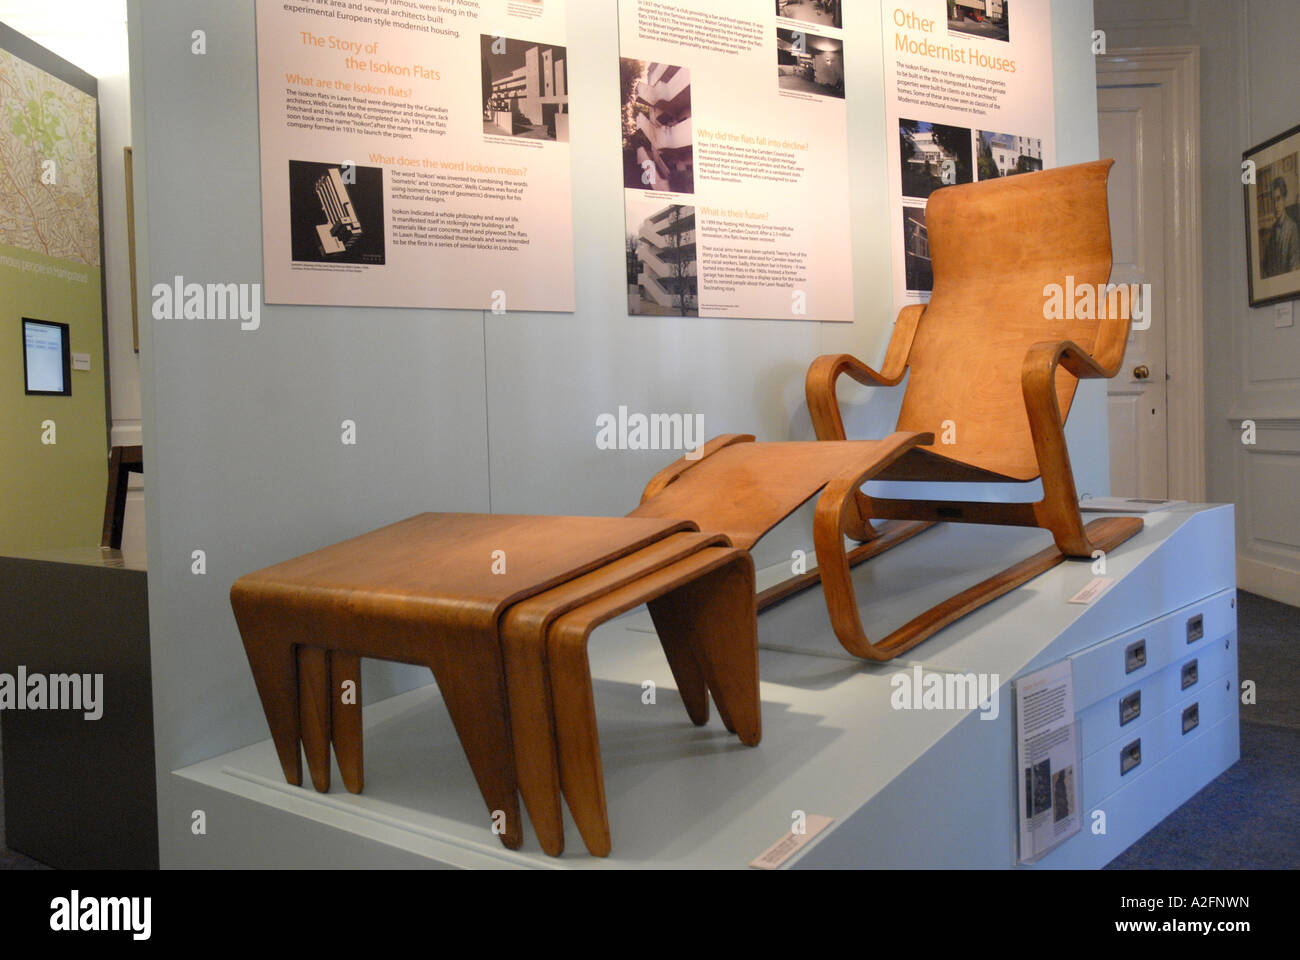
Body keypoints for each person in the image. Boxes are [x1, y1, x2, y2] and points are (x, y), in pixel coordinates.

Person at [1263, 176, 1300, 277]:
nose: (1276, 205)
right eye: (1273, 200)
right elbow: (1265, 266)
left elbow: (1295, 266)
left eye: (1278, 199)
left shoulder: (1292, 229)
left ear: (1284, 199)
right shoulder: (1272, 232)